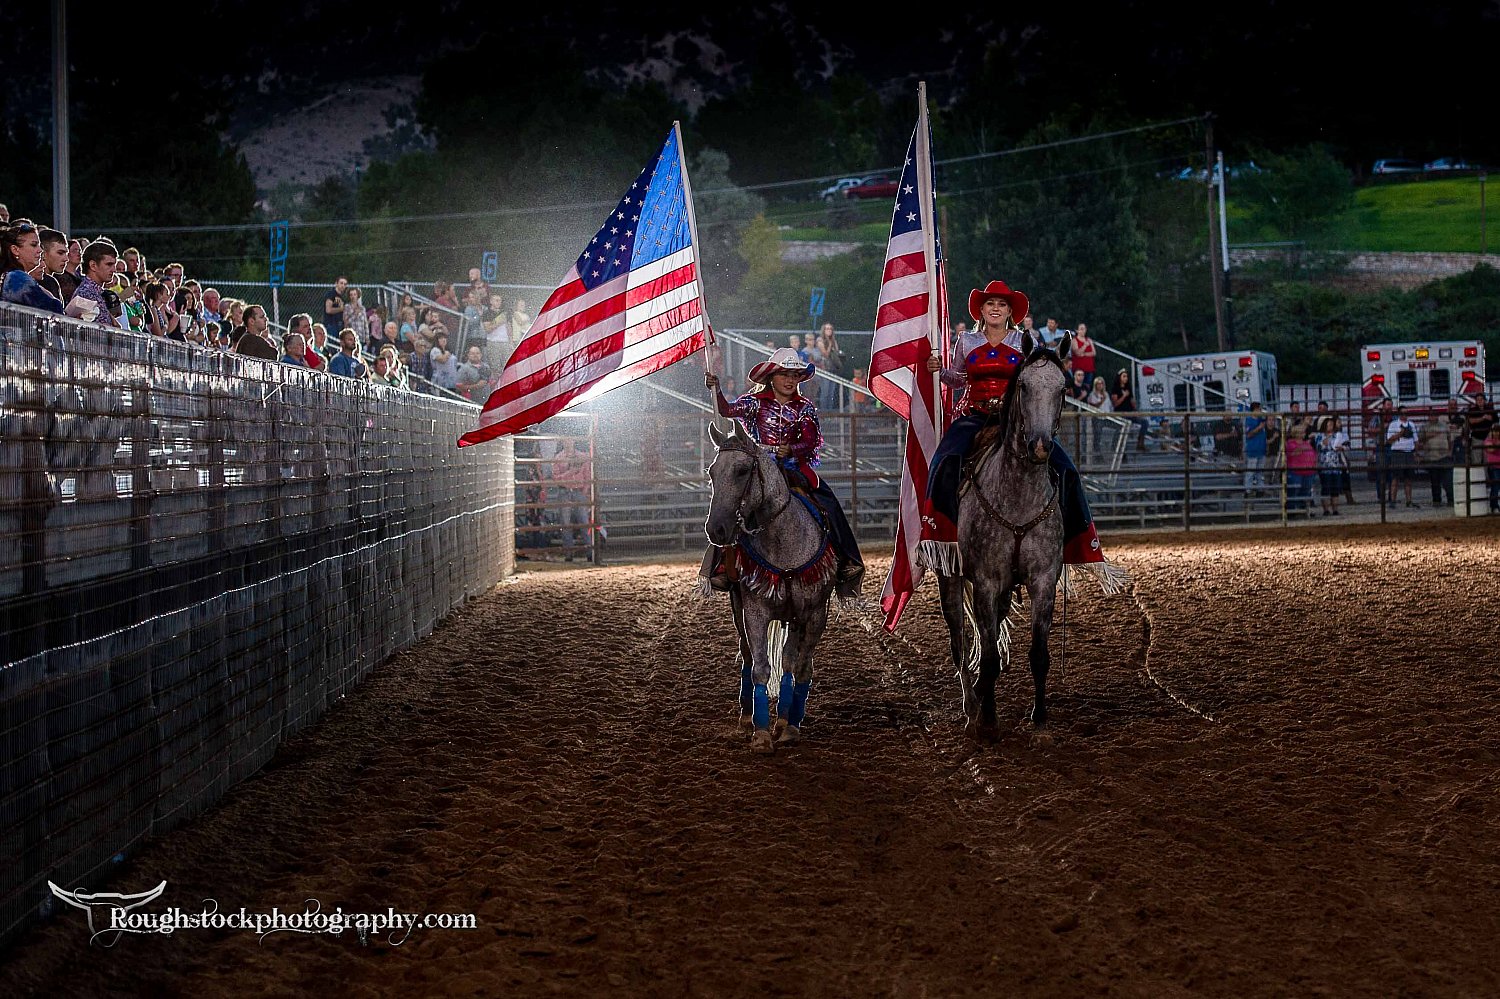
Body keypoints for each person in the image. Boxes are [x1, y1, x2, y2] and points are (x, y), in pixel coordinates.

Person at [925, 279, 1106, 566]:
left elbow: (1036, 378)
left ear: (1010, 311)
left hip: (1017, 421)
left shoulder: (1026, 342)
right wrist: (939, 371)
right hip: (976, 415)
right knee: (943, 461)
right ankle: (939, 535)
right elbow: (959, 379)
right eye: (990, 304)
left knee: (1066, 468)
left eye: (1001, 304)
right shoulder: (966, 341)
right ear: (981, 310)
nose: (995, 309)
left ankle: (1076, 542)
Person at [703, 348, 864, 595]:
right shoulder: (754, 402)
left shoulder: (805, 407)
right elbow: (726, 411)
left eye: (795, 375)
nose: (790, 380)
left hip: (793, 466)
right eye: (784, 374)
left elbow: (811, 441)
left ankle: (845, 560)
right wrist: (716, 390)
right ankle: (721, 565)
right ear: (771, 377)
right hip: (757, 467)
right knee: (732, 502)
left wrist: (791, 449)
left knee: (828, 501)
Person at [1, 221, 65, 313]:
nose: (40, 250)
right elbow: (54, 309)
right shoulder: (17, 278)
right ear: (15, 250)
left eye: (39, 245)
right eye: (34, 245)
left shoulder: (13, 276)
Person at [551, 437, 594, 562]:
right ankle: (572, 553)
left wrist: (584, 491)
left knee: (582, 523)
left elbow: (587, 475)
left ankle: (588, 552)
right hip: (567, 491)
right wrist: (572, 472)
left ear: (573, 441)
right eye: (566, 440)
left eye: (570, 440)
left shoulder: (579, 457)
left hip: (575, 491)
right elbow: (556, 478)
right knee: (568, 524)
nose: (568, 442)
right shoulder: (559, 458)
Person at [1315, 415, 1351, 515]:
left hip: (1336, 465)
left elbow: (1347, 446)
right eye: (1328, 424)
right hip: (1324, 465)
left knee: (1335, 488)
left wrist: (1342, 448)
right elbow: (1318, 446)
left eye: (1331, 424)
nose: (1330, 426)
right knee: (1326, 487)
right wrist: (1324, 443)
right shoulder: (1320, 436)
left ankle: (1335, 509)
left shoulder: (1338, 435)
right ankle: (1326, 509)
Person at [1385, 406, 1420, 507]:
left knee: (1408, 478)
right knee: (1395, 478)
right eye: (1403, 413)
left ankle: (1409, 500)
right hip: (1397, 453)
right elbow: (1389, 440)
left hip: (1409, 452)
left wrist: (1416, 453)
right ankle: (1393, 500)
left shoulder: (1412, 425)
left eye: (1406, 413)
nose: (1405, 416)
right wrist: (1400, 434)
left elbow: (1416, 440)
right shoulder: (1393, 425)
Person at [1417, 415, 1453, 507]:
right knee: (1435, 481)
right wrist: (1428, 436)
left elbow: (1450, 439)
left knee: (1448, 480)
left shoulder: (1444, 425)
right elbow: (1419, 440)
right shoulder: (1424, 427)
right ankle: (1437, 501)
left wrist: (1450, 452)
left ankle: (1451, 500)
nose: (1433, 417)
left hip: (1444, 456)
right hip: (1431, 457)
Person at [1109, 368, 1147, 450]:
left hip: (1130, 412)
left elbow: (1132, 401)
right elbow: (1115, 404)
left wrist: (1134, 405)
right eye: (1124, 376)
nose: (1126, 378)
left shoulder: (1128, 388)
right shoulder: (1115, 389)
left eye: (1126, 376)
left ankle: (1140, 443)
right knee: (1122, 428)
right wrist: (1124, 396)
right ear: (1120, 377)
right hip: (1120, 413)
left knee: (1144, 422)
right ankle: (1117, 447)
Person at [1243, 402, 1268, 491]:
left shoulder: (1261, 420)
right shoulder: (1249, 420)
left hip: (1261, 450)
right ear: (1255, 410)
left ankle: (1260, 489)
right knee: (1250, 472)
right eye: (1259, 409)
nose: (1261, 411)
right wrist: (1259, 428)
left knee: (1260, 472)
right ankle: (1248, 490)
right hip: (1253, 450)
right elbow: (1248, 435)